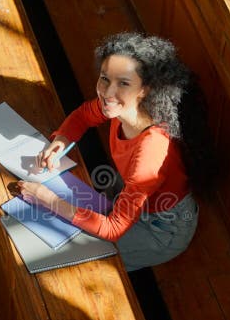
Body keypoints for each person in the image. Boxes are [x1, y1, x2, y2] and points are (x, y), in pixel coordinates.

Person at [13, 32, 216, 271]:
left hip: (160, 228)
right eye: (104, 79)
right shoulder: (120, 108)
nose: (107, 93)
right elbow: (82, 116)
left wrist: (48, 200)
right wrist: (60, 141)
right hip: (127, 195)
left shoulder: (151, 153)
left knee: (72, 259)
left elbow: (113, 228)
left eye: (123, 83)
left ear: (145, 90)